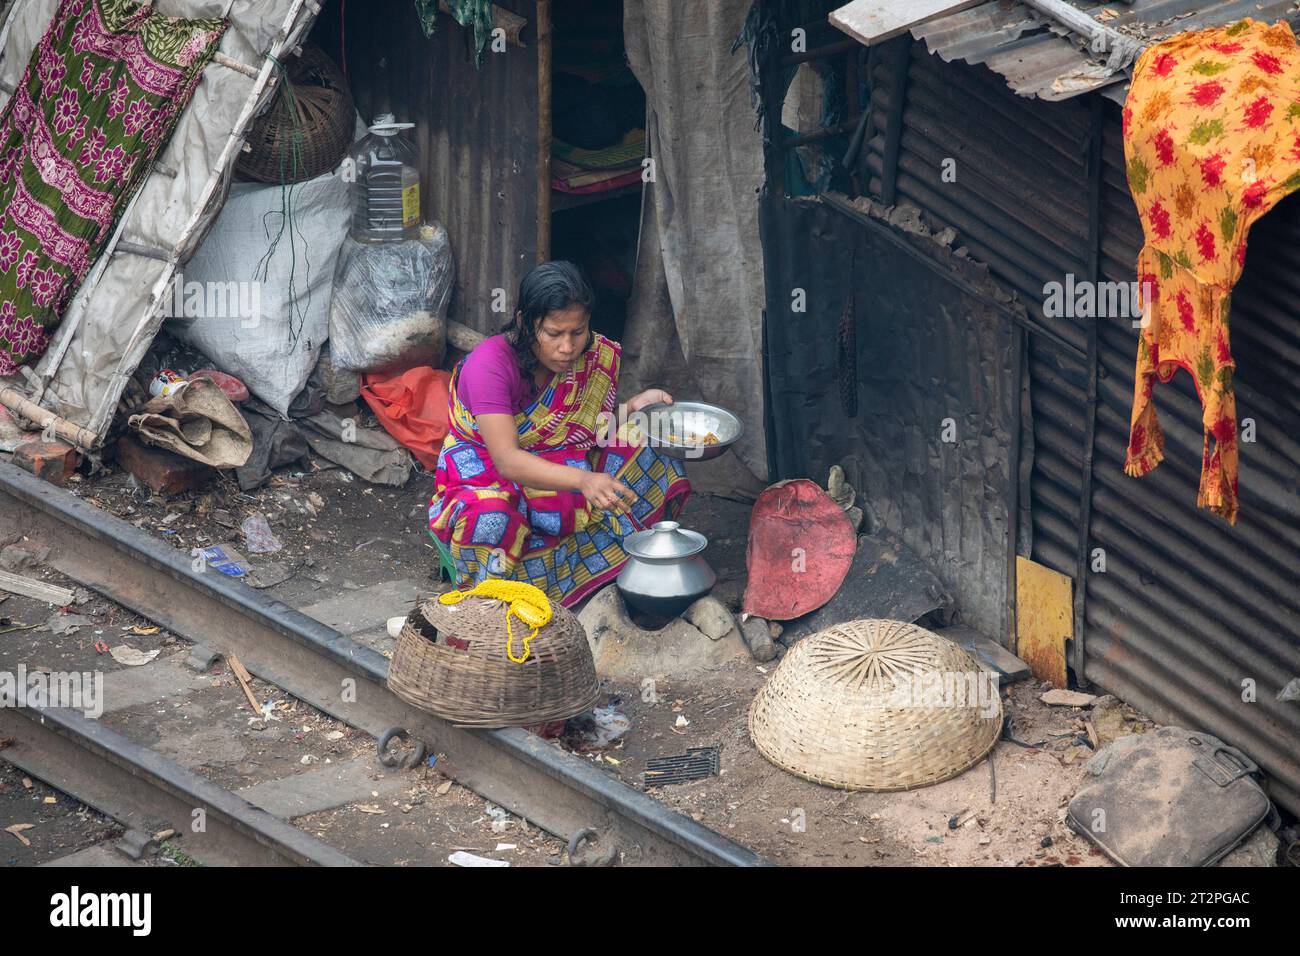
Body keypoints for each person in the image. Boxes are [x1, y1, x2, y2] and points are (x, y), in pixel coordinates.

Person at [427, 260, 691, 607]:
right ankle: (495, 603)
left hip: (561, 459)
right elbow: (507, 460)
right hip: (488, 473)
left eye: (577, 332)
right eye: (553, 334)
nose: (567, 347)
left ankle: (633, 567)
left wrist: (633, 408)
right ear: (525, 323)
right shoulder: (489, 365)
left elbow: (585, 427)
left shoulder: (588, 358)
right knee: (491, 518)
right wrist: (584, 480)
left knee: (649, 444)